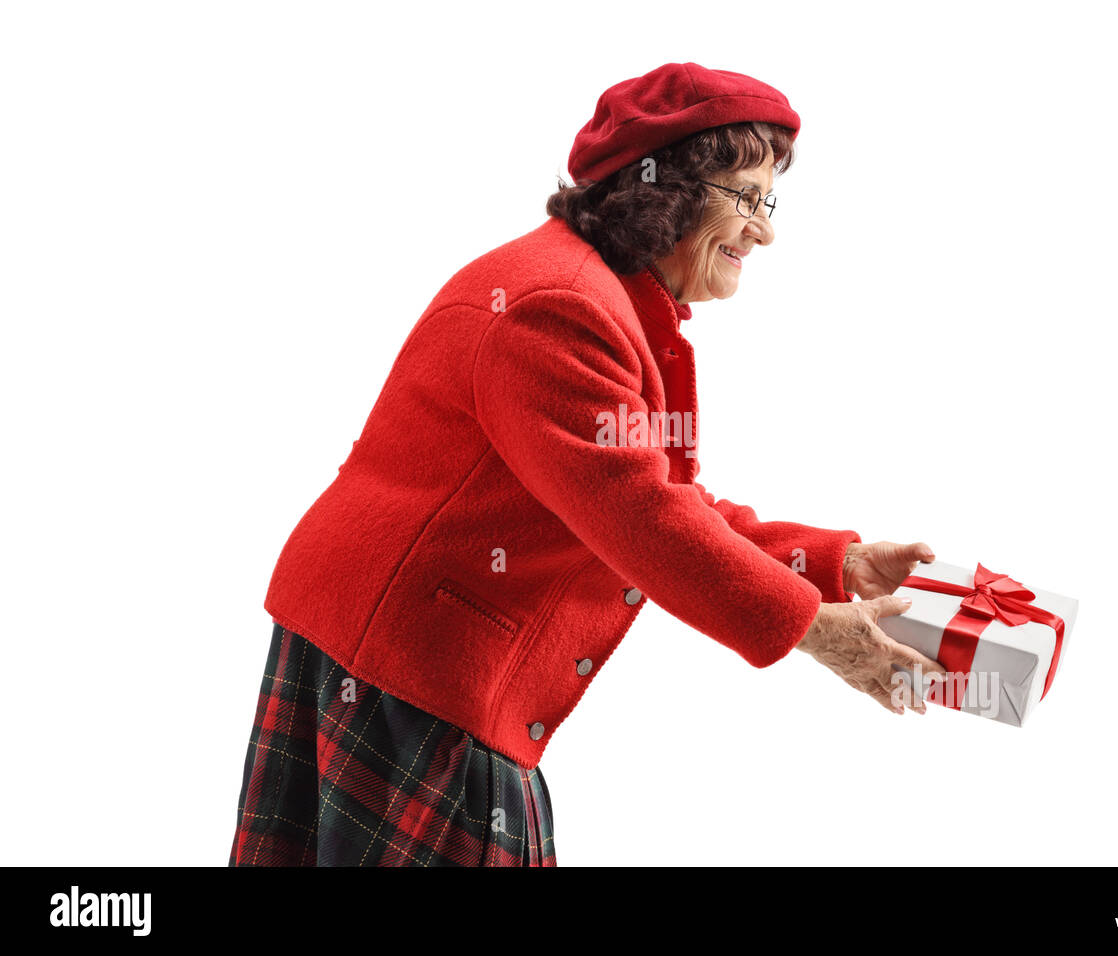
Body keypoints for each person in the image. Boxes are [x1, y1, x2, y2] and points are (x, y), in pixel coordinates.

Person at [228, 61, 945, 867]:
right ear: (667, 190)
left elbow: (661, 498)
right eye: (746, 198)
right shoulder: (560, 306)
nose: (765, 231)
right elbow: (643, 518)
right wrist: (815, 629)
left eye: (767, 201)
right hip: (411, 675)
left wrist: (831, 563)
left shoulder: (589, 290)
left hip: (395, 663)